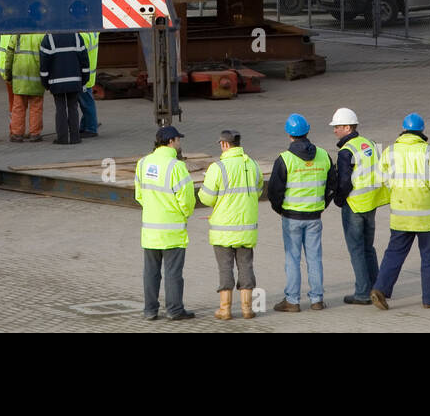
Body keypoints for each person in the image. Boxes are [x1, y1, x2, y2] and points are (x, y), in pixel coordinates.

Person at [371, 113, 430, 310]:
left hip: (401, 211)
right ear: (422, 131)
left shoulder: (390, 151)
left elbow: (379, 177)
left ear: (403, 129)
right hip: (426, 214)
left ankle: (380, 289)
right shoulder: (429, 151)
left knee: (394, 253)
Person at [266, 113, 335, 313]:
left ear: (289, 134)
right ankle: (317, 299)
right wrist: (322, 204)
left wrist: (281, 210)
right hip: (314, 216)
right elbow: (332, 185)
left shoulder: (285, 159)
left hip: (291, 217)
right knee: (315, 258)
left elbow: (274, 192)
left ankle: (292, 301)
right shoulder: (323, 155)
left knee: (292, 259)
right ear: (307, 131)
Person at [196, 129, 262, 320]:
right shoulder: (252, 165)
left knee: (225, 268)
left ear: (224, 144)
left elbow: (207, 198)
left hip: (223, 230)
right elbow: (258, 192)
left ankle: (225, 310)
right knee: (246, 266)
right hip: (246, 229)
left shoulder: (218, 167)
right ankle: (247, 309)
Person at [135, 126, 197, 321]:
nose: (180, 143)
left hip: (150, 231)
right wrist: (183, 215)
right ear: (171, 141)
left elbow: (139, 195)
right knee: (173, 273)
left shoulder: (143, 163)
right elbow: (187, 200)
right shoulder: (176, 166)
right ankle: (174, 310)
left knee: (151, 273)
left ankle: (150, 310)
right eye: (179, 140)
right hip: (172, 232)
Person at [330, 107, 387, 305]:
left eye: (337, 127)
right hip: (371, 202)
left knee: (356, 249)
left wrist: (338, 200)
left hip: (354, 204)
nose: (335, 130)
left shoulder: (347, 151)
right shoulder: (368, 143)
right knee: (368, 247)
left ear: (347, 127)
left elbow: (345, 182)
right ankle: (379, 288)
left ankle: (362, 293)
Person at [38, 31, 89, 145]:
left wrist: (45, 83)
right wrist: (84, 79)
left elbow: (44, 63)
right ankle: (75, 137)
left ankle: (62, 138)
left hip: (56, 82)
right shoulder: (76, 36)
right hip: (75, 80)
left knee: (60, 108)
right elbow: (84, 60)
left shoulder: (48, 38)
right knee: (73, 108)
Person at [4, 33, 45, 142]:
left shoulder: (17, 35)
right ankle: (35, 134)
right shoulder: (42, 35)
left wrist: (7, 74)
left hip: (19, 79)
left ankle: (17, 134)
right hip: (36, 77)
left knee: (18, 107)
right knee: (36, 107)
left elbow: (9, 56)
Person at [78, 31, 100, 138]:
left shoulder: (82, 36)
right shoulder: (94, 32)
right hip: (90, 74)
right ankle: (84, 126)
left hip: (84, 75)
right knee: (86, 102)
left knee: (87, 103)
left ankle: (91, 128)